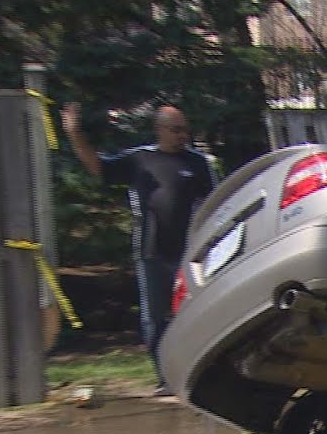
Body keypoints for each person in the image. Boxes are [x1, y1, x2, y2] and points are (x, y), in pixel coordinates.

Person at [61, 102, 217, 396]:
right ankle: (166, 378)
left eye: (185, 129)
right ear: (159, 130)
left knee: (195, 313)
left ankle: (200, 373)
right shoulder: (140, 160)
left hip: (192, 254)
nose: (183, 135)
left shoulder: (197, 164)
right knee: (155, 317)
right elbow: (98, 167)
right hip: (153, 252)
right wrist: (74, 133)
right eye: (176, 129)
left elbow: (215, 204)